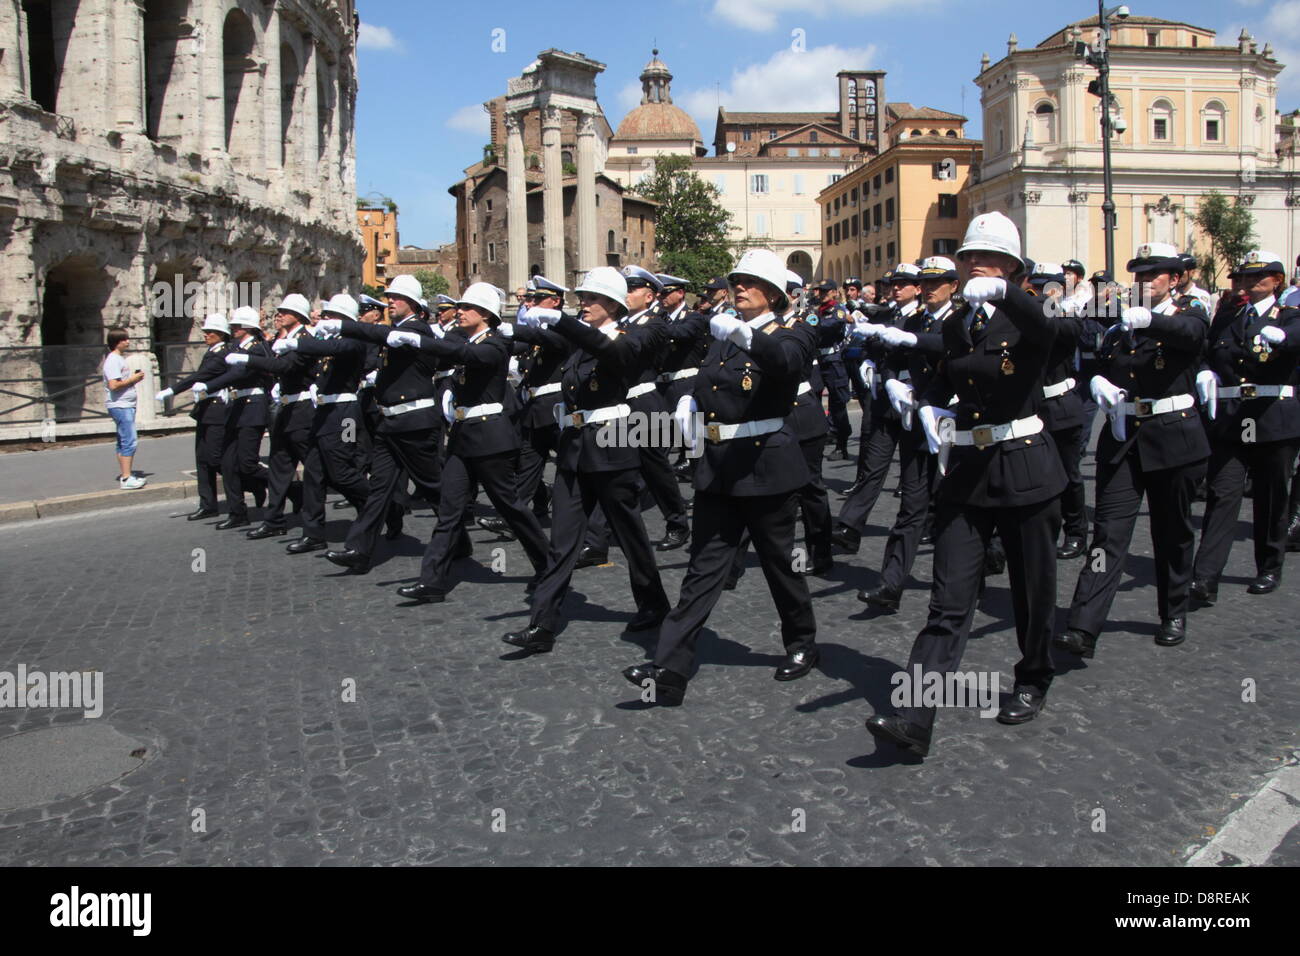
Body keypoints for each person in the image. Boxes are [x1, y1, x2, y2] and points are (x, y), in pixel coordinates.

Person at [865, 212, 1067, 757]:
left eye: (991, 259)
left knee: (1033, 591)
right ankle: (915, 715)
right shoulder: (958, 325)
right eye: (970, 258)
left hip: (1026, 466)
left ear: (1014, 269)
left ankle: (1033, 676)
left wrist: (1006, 292)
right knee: (948, 600)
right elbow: (943, 379)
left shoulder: (1031, 312)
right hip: (967, 475)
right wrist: (929, 406)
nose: (977, 265)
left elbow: (1055, 328)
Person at [623, 249, 819, 706]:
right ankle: (670, 666)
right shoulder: (722, 332)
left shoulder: (792, 332)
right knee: (703, 569)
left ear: (772, 292)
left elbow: (788, 365)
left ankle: (802, 641)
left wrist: (747, 335)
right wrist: (692, 400)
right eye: (737, 280)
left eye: (750, 281)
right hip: (718, 464)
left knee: (779, 564)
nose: (739, 287)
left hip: (765, 464)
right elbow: (709, 379)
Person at [501, 267, 670, 652]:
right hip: (576, 446)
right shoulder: (579, 343)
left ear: (612, 304)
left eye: (591, 299)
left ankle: (653, 602)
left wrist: (561, 319)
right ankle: (542, 623)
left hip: (613, 444)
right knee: (562, 541)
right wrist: (512, 330)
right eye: (582, 300)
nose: (584, 306)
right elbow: (551, 343)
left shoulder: (634, 335)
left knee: (630, 536)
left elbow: (610, 351)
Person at [1056, 242, 1209, 658]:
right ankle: (1083, 624)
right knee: (1109, 534)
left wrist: (1152, 320)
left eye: (1152, 274)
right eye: (1138, 275)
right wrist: (1099, 383)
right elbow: (1094, 366)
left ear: (1174, 279)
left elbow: (1192, 336)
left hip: (1173, 437)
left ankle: (1173, 610)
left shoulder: (1188, 312)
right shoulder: (1121, 327)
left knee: (1172, 532)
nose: (1142, 282)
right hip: (1124, 439)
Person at [1190, 250, 1300, 601]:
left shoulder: (1289, 316)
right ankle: (1205, 576)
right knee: (1223, 494)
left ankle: (1269, 565)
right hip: (1232, 417)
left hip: (1271, 416)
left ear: (1277, 281)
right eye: (1246, 277)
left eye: (1259, 277)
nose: (1250, 283)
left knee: (1271, 496)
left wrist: (1284, 338)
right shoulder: (1229, 315)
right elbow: (1209, 351)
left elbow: (1297, 338)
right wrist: (1205, 371)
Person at [319, 273, 445, 574]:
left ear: (413, 304)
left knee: (434, 488)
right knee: (379, 489)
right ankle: (359, 549)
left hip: (414, 422)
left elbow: (382, 337)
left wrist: (344, 325)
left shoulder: (416, 329)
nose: (390, 301)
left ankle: (458, 536)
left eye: (396, 298)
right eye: (389, 297)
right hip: (391, 423)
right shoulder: (398, 330)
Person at [856, 257, 954, 609]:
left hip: (952, 423)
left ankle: (974, 573)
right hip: (917, 421)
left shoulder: (957, 320)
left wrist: (912, 341)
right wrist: (892, 380)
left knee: (957, 507)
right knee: (911, 506)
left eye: (936, 282)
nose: (929, 289)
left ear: (953, 286)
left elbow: (951, 348)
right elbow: (895, 356)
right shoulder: (914, 318)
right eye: (924, 283)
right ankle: (891, 584)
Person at [271, 293, 375, 553]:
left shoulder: (353, 341)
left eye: (331, 315)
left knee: (342, 472)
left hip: (345, 414)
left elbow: (332, 350)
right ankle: (313, 532)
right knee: (314, 474)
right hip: (324, 411)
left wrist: (297, 345)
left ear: (343, 319)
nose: (325, 319)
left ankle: (380, 504)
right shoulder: (330, 341)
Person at [231, 294, 314, 539]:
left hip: (302, 411)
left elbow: (287, 367)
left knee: (323, 470)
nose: (279, 314)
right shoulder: (283, 339)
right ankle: (274, 519)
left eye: (284, 311)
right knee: (279, 468)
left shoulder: (304, 340)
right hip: (285, 411)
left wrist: (250, 360)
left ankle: (370, 504)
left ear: (298, 315)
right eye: (278, 311)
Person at [1029, 263, 1088, 560]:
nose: (1040, 292)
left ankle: (1076, 532)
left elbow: (1066, 331)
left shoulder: (1066, 315)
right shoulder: (1027, 313)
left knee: (1069, 475)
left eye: (1046, 287)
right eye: (1036, 286)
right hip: (1032, 410)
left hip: (1060, 406)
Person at [201, 306, 273, 529]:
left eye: (236, 326)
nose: (232, 329)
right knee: (227, 462)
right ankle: (237, 511)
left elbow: (238, 373)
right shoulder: (234, 347)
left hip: (253, 407)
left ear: (248, 328)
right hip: (235, 407)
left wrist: (207, 385)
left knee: (248, 464)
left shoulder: (257, 348)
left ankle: (290, 487)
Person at [155, 314, 231, 519]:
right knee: (202, 460)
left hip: (217, 410)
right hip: (206, 409)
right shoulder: (212, 352)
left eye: (210, 332)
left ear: (222, 334)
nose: (206, 334)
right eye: (205, 331)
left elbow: (199, 377)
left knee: (216, 458)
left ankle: (251, 487)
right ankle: (208, 504)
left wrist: (172, 390)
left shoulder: (223, 353)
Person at [102, 327, 146, 490]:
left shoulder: (118, 359)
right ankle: (127, 478)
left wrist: (133, 379)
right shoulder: (113, 360)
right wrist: (133, 379)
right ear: (116, 343)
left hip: (123, 404)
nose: (128, 341)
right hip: (121, 405)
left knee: (123, 441)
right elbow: (114, 385)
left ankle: (125, 474)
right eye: (124, 339)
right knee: (130, 440)